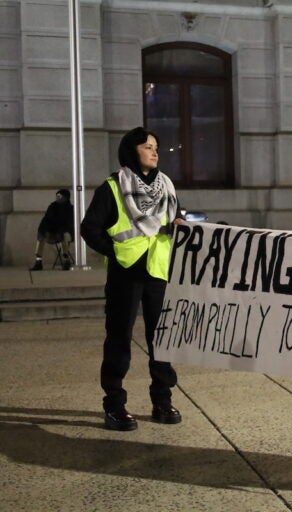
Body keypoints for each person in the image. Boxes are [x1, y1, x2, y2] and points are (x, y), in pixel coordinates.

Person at [81, 127, 184, 431]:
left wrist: (180, 221)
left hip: (158, 273)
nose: (155, 152)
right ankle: (114, 404)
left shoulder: (166, 186)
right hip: (126, 273)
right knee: (119, 339)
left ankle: (162, 401)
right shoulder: (113, 187)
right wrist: (115, 251)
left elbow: (174, 218)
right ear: (131, 150)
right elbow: (90, 229)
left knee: (162, 340)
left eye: (156, 146)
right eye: (147, 146)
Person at [30, 189, 74, 271]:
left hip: (65, 233)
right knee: (41, 236)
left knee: (65, 235)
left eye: (59, 196)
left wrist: (60, 231)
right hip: (52, 232)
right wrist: (45, 231)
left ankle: (66, 260)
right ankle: (38, 261)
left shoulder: (70, 209)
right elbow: (46, 220)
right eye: (57, 196)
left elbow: (69, 225)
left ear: (65, 197)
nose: (57, 198)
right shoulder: (52, 207)